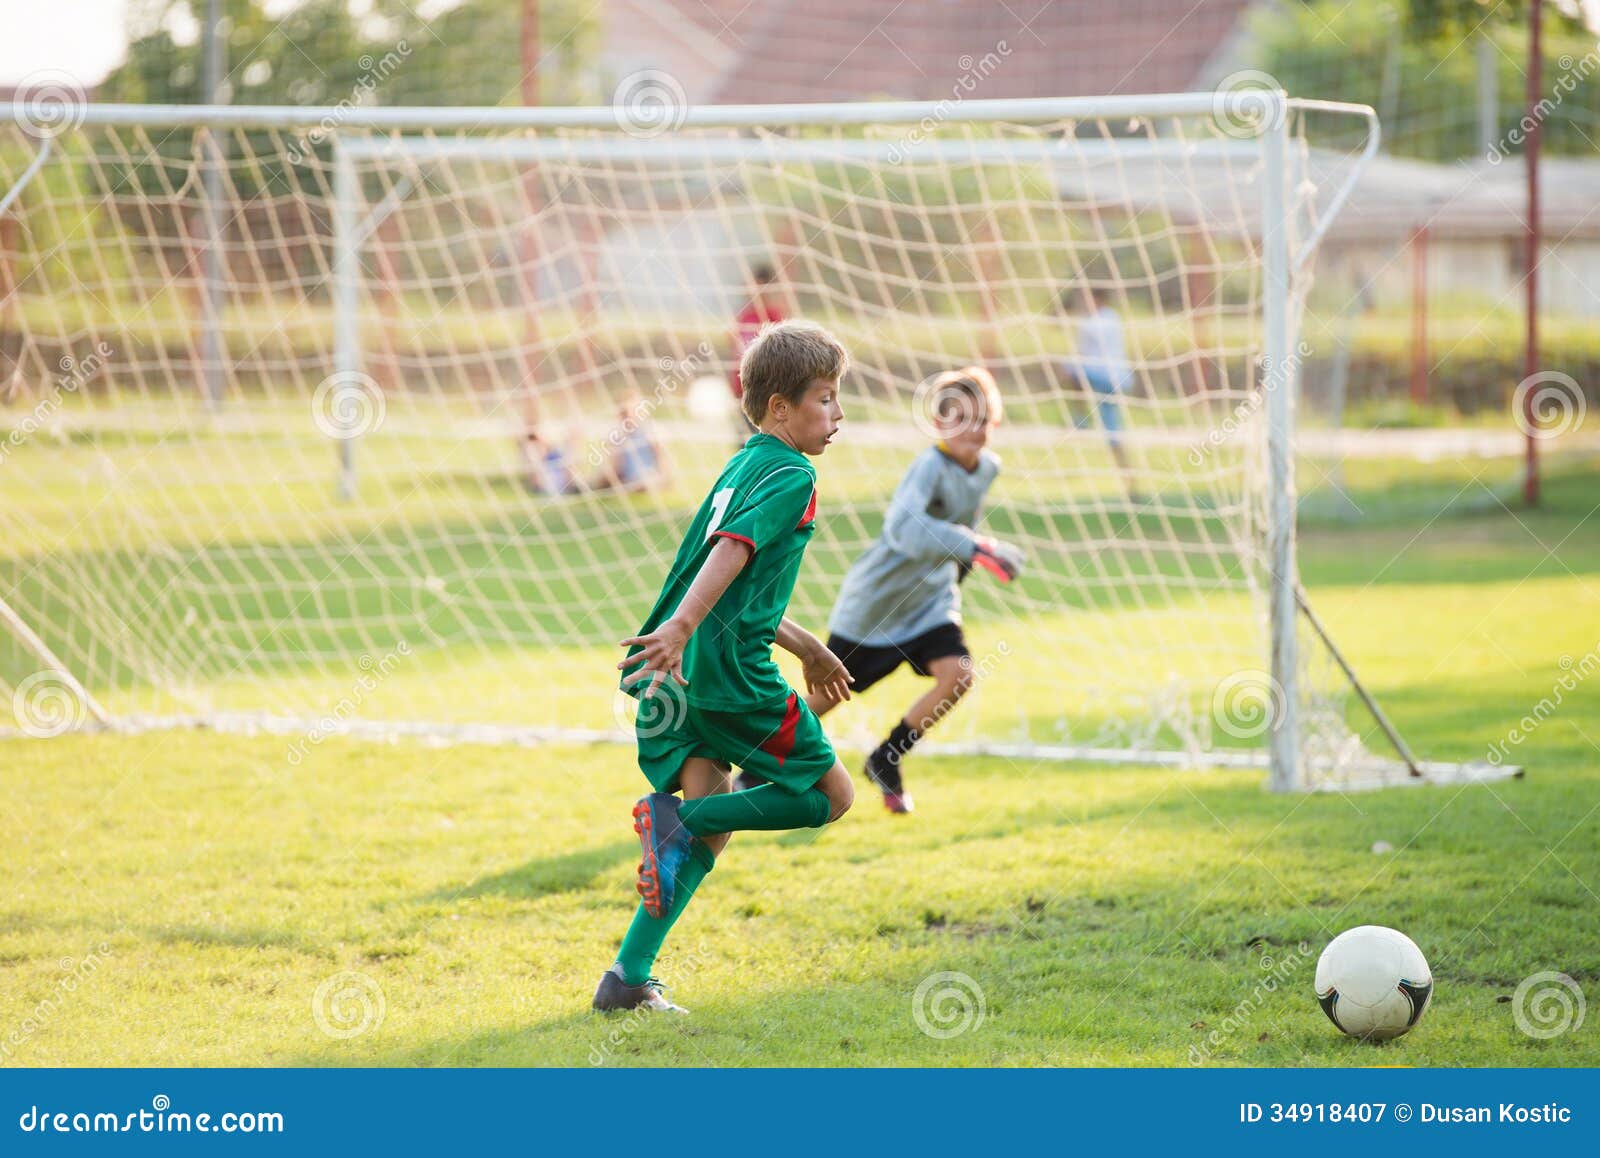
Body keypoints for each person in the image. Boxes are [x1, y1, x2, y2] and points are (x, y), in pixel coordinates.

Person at [592, 320, 855, 1016]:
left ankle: (626, 980)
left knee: (709, 831)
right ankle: (675, 821)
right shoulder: (794, 473)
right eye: (825, 399)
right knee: (831, 797)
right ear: (779, 407)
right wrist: (681, 625)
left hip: (683, 674)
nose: (837, 416)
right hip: (730, 674)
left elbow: (737, 588)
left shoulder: (744, 461)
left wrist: (806, 645)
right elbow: (732, 552)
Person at [738, 367, 1023, 814]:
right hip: (877, 608)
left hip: (930, 604)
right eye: (962, 418)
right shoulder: (928, 467)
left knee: (960, 674)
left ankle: (886, 758)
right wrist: (973, 544)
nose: (975, 429)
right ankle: (759, 762)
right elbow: (904, 531)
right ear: (940, 423)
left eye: (984, 419)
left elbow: (959, 527)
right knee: (830, 693)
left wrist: (974, 556)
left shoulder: (987, 468)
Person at [1062, 286, 1141, 499]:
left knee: (1070, 368)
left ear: (1098, 299)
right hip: (1117, 377)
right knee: (1113, 433)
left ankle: (1080, 418)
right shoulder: (1112, 318)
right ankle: (1132, 485)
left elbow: (1083, 353)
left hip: (1106, 376)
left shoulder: (1092, 323)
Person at [727, 263, 785, 447]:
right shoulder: (744, 316)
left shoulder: (774, 317)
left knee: (762, 443)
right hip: (742, 391)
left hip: (765, 392)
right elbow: (736, 353)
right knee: (743, 444)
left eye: (758, 284)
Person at [588, 396, 671, 493]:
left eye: (630, 412)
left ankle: (630, 487)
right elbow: (615, 467)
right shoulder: (616, 434)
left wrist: (663, 479)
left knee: (646, 481)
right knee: (601, 478)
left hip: (646, 476)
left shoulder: (651, 432)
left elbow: (663, 462)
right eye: (623, 413)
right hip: (624, 476)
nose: (627, 416)